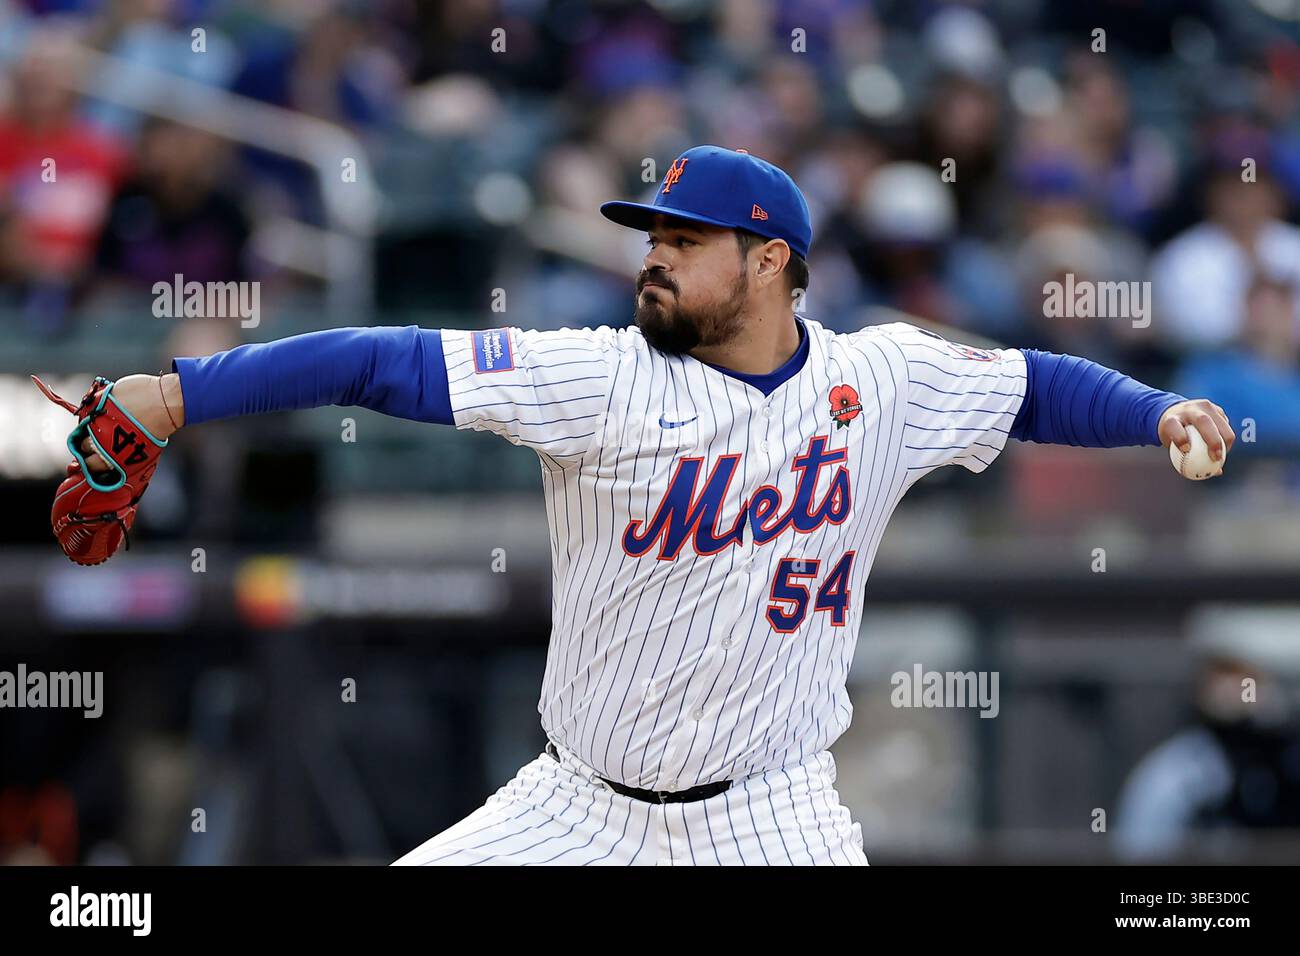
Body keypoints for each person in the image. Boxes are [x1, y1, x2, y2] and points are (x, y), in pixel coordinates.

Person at [58, 146, 1233, 865]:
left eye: (684, 240)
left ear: (769, 260)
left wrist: (1156, 409)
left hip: (769, 821)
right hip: (575, 812)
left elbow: (1037, 386)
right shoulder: (602, 374)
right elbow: (384, 359)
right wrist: (175, 391)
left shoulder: (879, 378)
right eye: (650, 236)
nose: (652, 259)